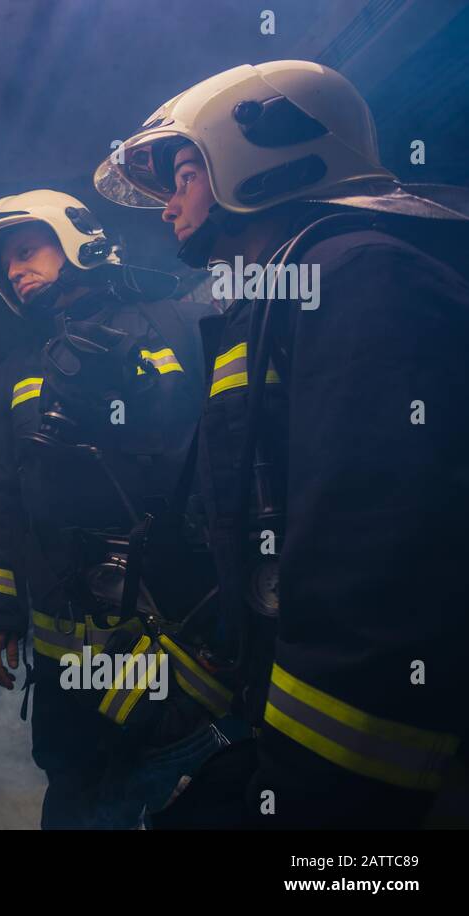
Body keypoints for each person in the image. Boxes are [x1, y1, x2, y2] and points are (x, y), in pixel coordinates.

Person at [96, 59, 469, 828]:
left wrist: (307, 788)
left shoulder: (360, 276)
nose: (169, 205)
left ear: (255, 162)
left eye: (186, 172)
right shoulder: (284, 293)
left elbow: (377, 551)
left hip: (358, 773)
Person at [0, 189, 228, 828]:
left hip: (178, 630)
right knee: (77, 793)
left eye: (27, 250)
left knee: (192, 792)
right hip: (67, 650)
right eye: (5, 265)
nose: (15, 270)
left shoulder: (182, 322)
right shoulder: (14, 372)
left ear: (77, 239)